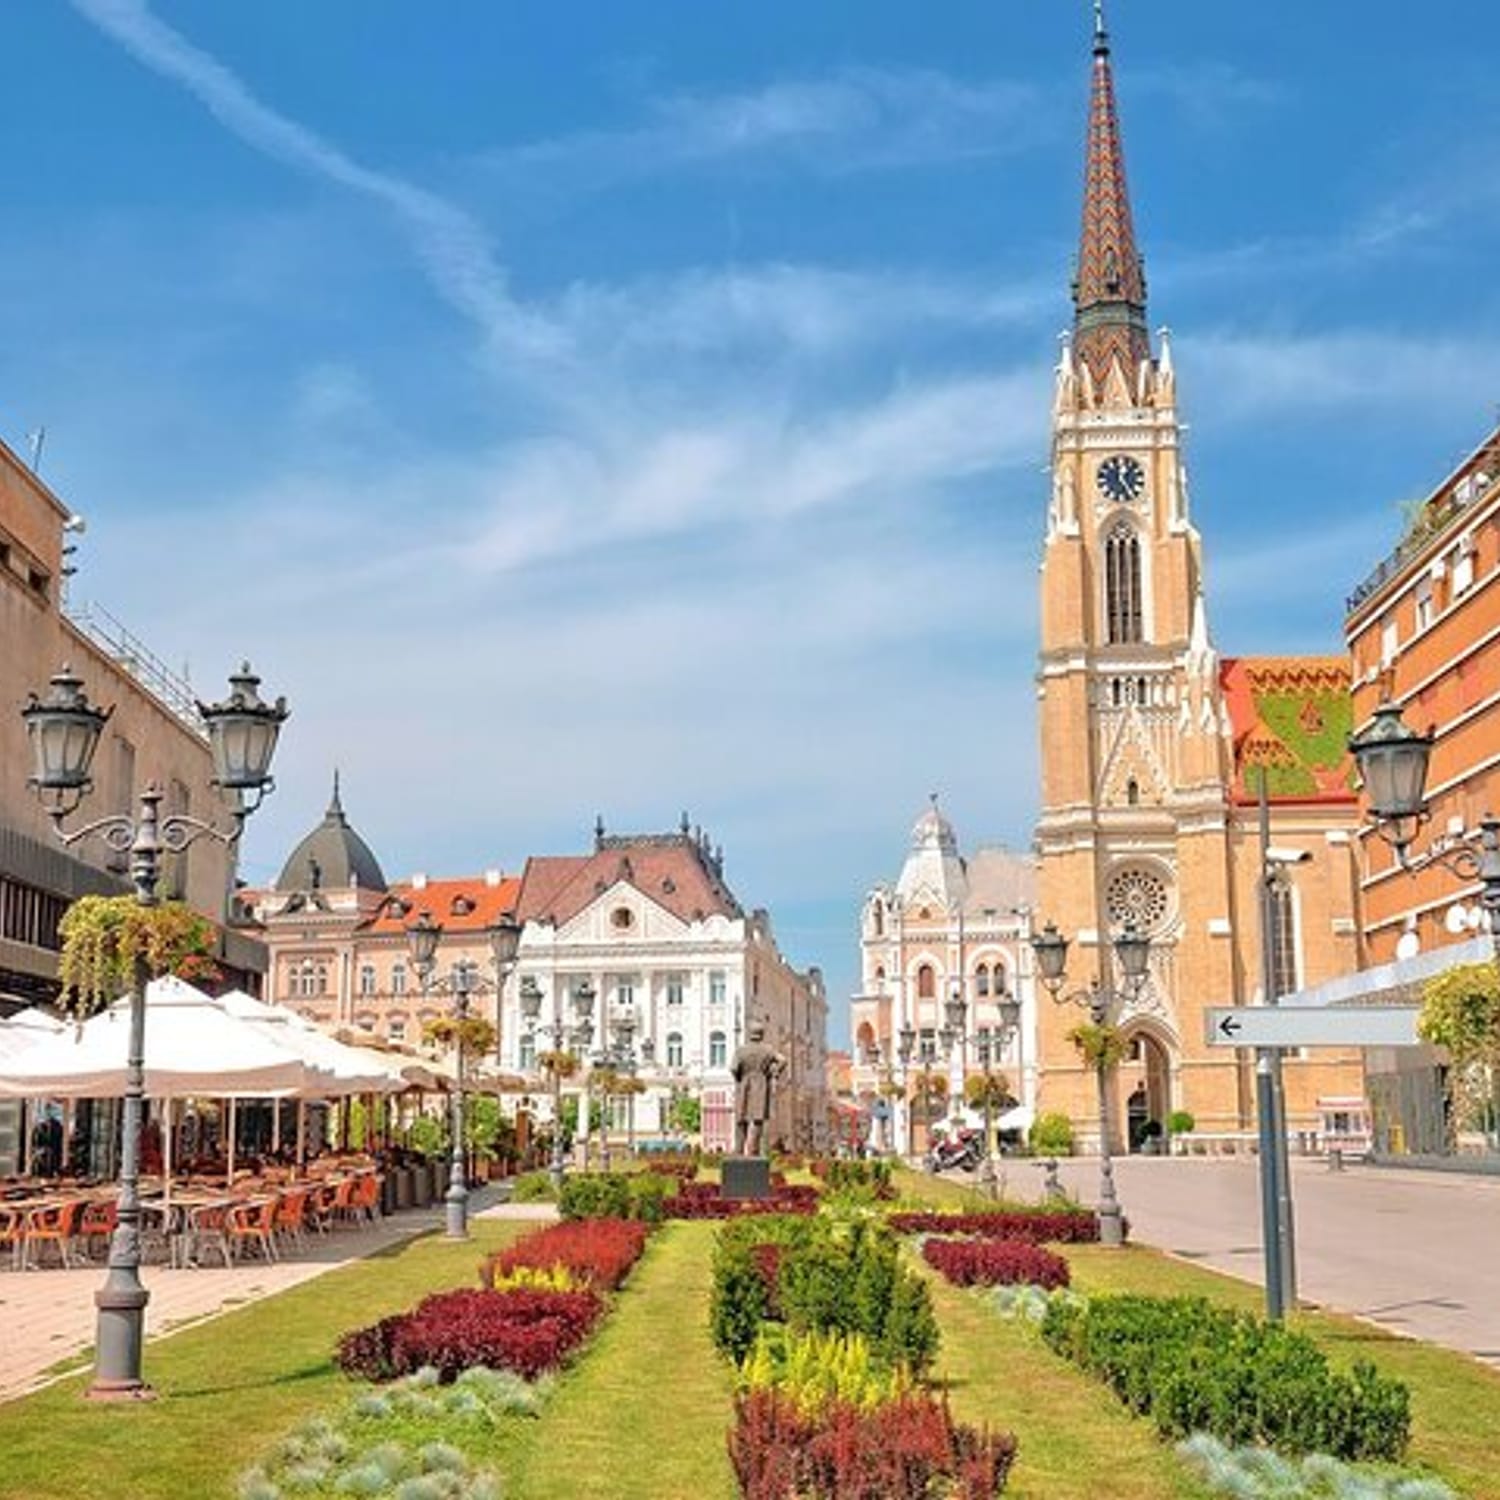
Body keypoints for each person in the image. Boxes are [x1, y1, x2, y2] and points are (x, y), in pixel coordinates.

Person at [730, 1021, 785, 1156]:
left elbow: (733, 1068)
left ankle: (738, 1151)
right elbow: (783, 1060)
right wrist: (775, 1073)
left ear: (750, 1033)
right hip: (761, 1084)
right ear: (762, 1034)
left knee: (741, 1119)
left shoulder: (741, 1050)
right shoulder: (767, 1050)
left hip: (744, 1083)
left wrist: (738, 1078)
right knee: (757, 1119)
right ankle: (753, 1151)